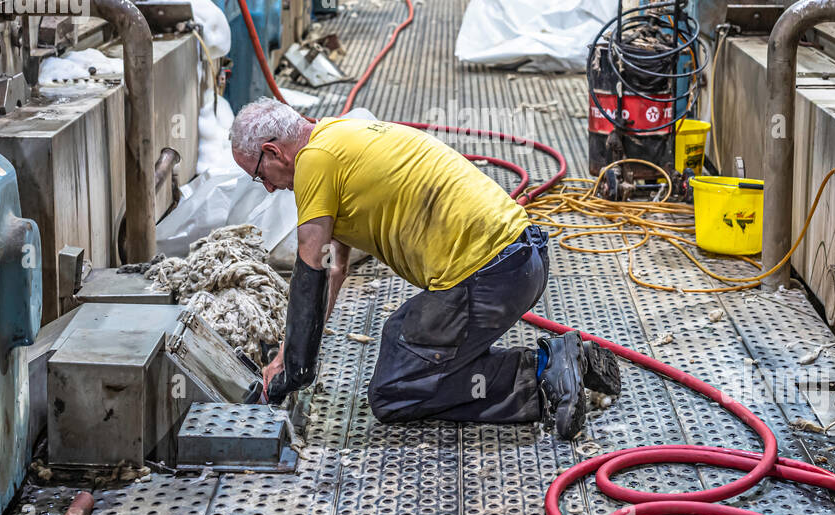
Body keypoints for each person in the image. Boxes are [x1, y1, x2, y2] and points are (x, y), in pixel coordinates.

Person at [229, 99, 621, 438]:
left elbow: (309, 265)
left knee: (394, 390)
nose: (267, 187)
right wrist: (290, 356)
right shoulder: (338, 135)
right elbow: (333, 267)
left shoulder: (314, 162)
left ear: (274, 151)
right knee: (403, 337)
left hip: (487, 275)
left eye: (259, 175)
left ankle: (546, 369)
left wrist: (292, 372)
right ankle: (570, 363)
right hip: (520, 258)